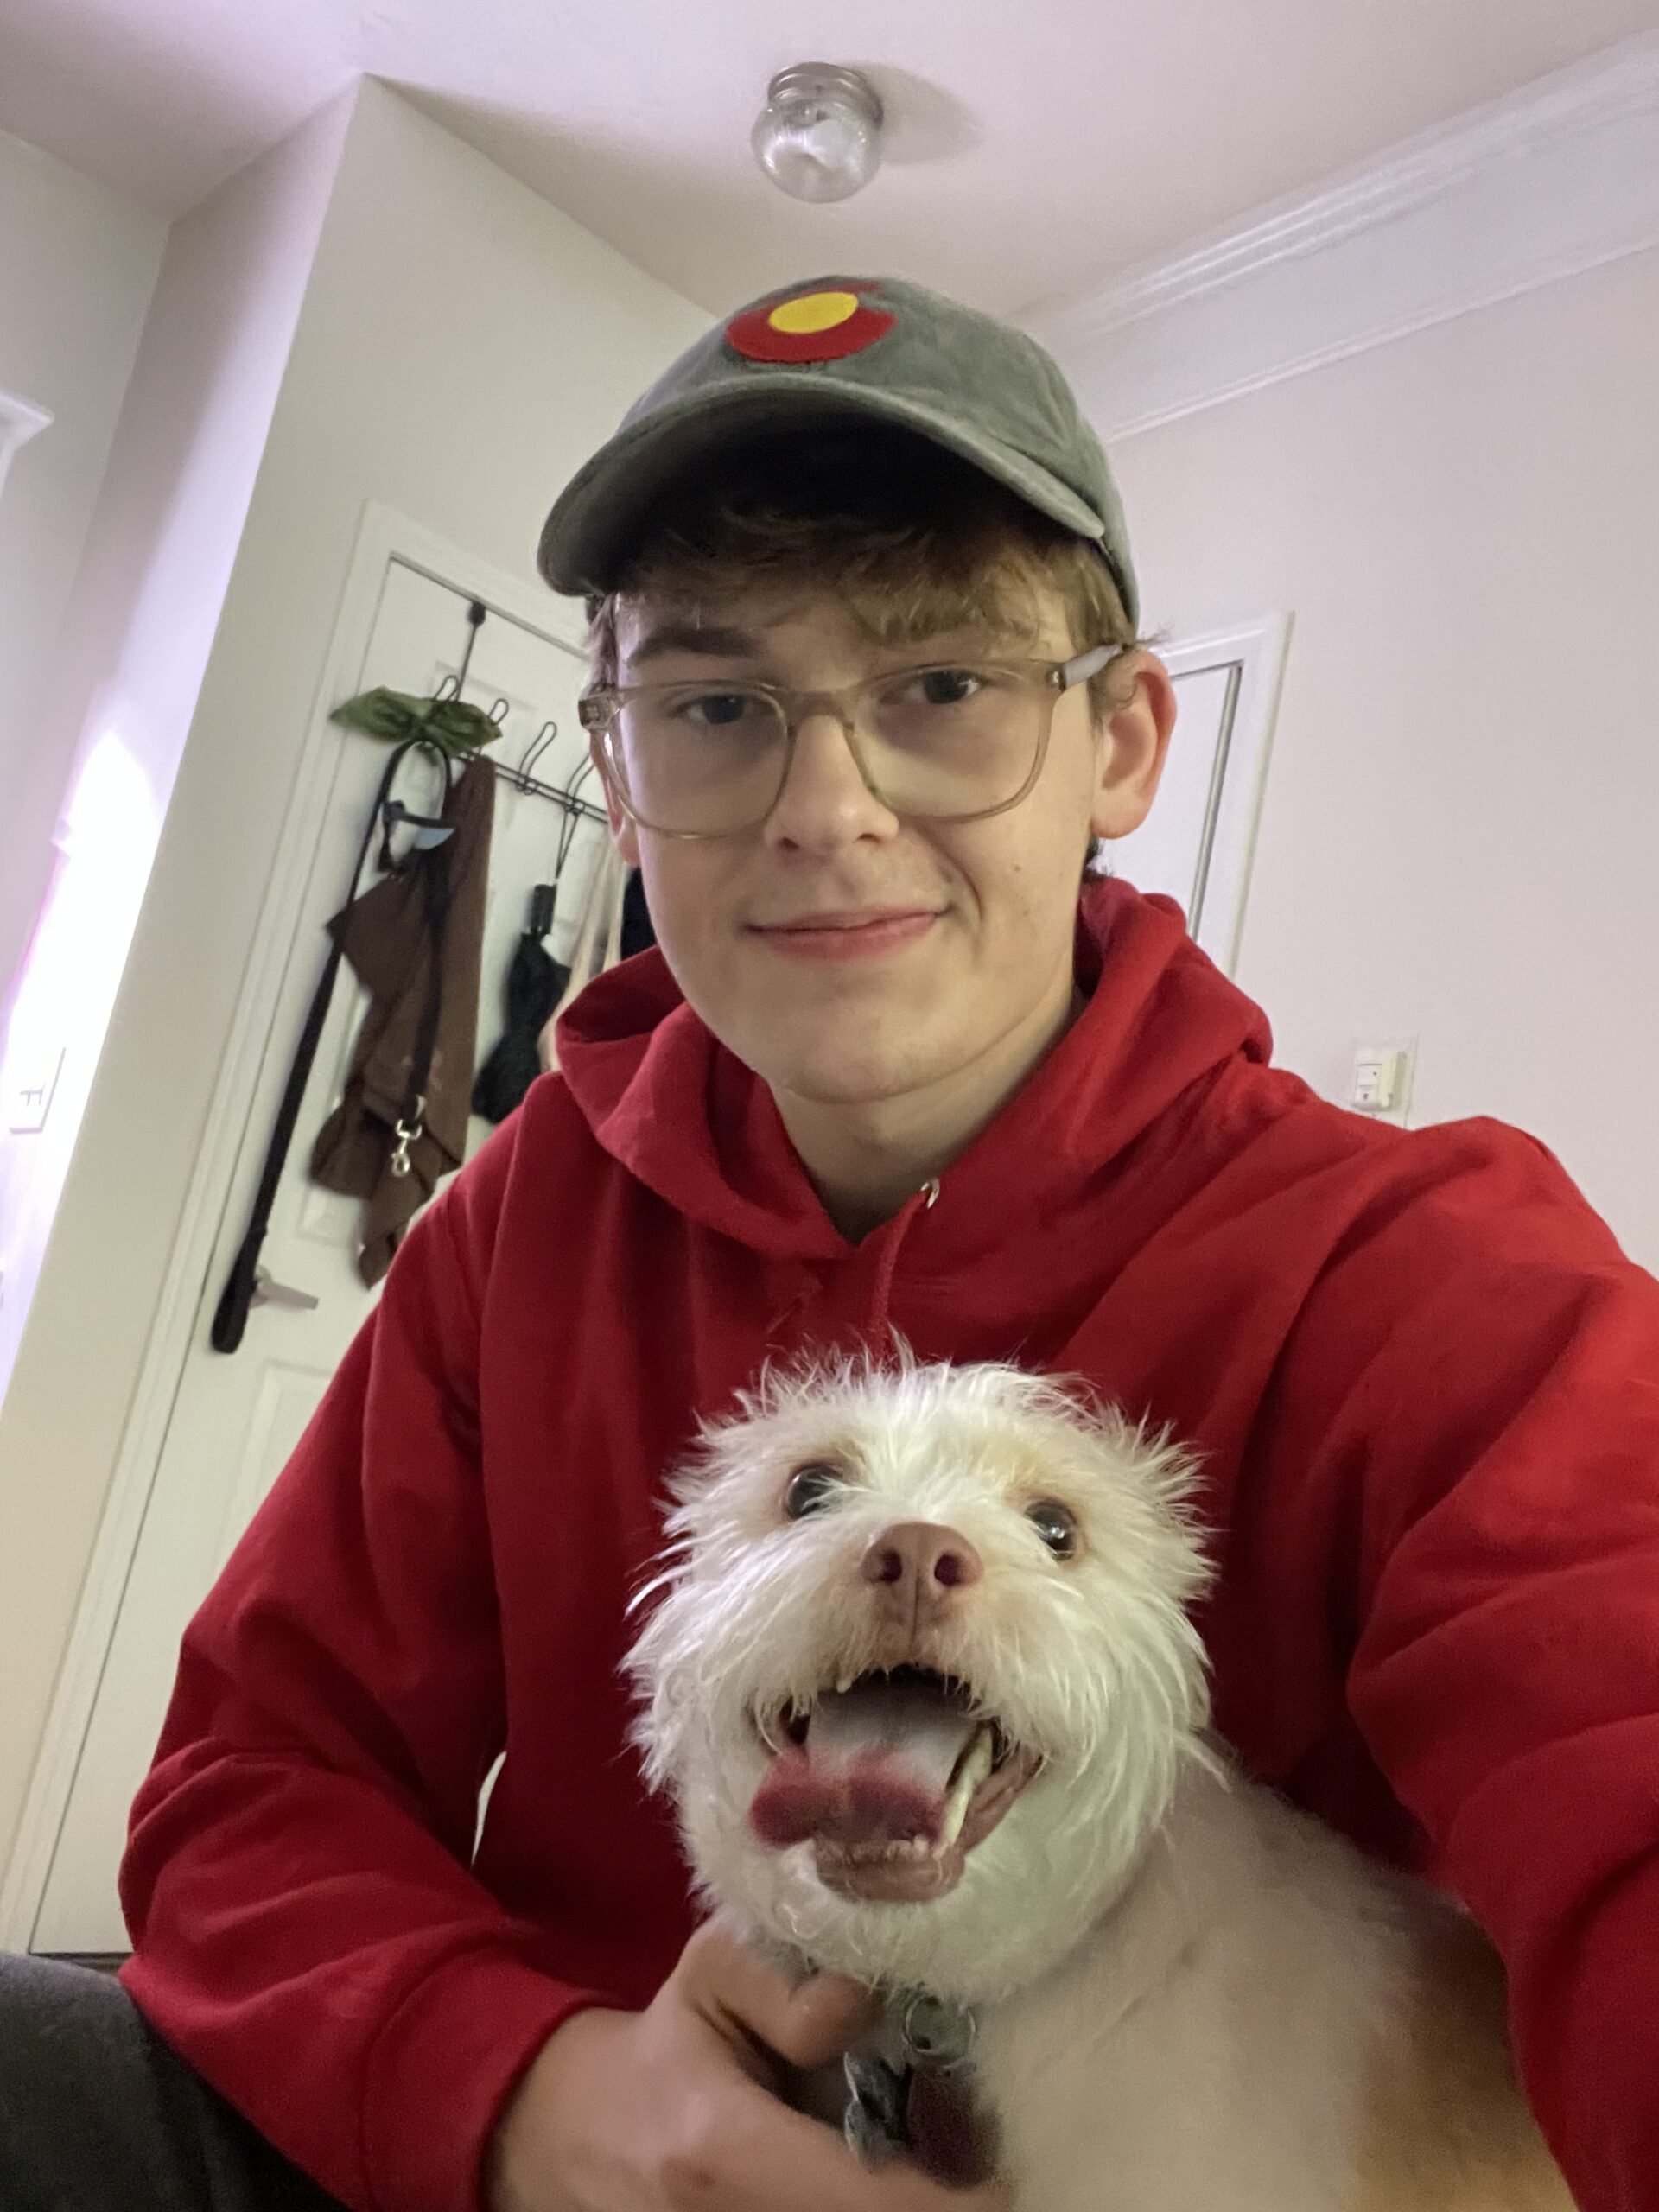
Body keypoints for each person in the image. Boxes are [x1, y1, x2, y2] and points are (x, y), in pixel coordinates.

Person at [3, 274, 1656, 2212]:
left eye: (942, 687)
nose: (825, 808)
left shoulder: (1433, 1264)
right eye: (716, 708)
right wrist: (519, 2092)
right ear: (621, 776)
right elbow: (253, 1785)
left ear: (1124, 742)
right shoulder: (516, 1220)